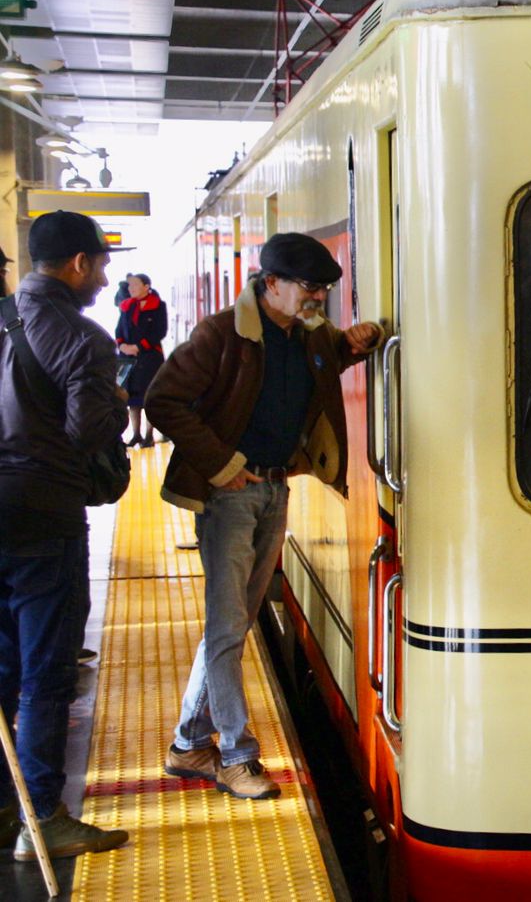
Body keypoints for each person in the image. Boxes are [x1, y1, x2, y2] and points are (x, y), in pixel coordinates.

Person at [146, 232, 381, 800]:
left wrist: (363, 339)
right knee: (228, 627)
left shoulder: (308, 336)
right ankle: (235, 755)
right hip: (229, 496)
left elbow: (331, 357)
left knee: (233, 626)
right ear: (270, 283)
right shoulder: (222, 335)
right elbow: (161, 400)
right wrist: (221, 463)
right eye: (308, 287)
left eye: (323, 289)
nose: (317, 298)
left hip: (276, 491)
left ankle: (188, 745)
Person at [0, 211, 131, 860]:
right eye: (100, 265)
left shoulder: (3, 317)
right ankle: (45, 818)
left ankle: (9, 805)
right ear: (78, 264)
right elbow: (88, 431)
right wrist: (118, 405)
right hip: (43, 516)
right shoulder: (83, 338)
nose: (104, 280)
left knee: (3, 667)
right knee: (46, 674)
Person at [114, 273, 167, 447]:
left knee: (149, 397)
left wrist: (139, 347)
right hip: (128, 358)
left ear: (146, 286)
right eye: (130, 286)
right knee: (132, 398)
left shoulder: (157, 306)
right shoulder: (127, 306)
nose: (131, 288)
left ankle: (149, 435)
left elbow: (159, 331)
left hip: (149, 358)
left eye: (135, 285)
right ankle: (136, 434)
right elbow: (119, 330)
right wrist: (122, 345)